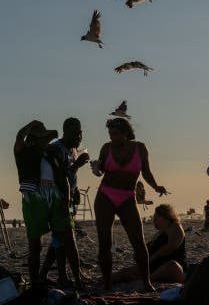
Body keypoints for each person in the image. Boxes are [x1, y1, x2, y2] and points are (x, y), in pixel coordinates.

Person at [92, 117, 168, 292]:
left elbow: (146, 172)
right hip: (106, 195)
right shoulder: (106, 148)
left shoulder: (140, 148)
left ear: (126, 133)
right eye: (110, 133)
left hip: (127, 197)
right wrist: (96, 167)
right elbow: (100, 170)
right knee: (105, 243)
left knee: (139, 243)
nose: (112, 137)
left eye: (116, 133)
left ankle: (146, 281)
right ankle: (108, 284)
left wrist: (156, 186)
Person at [13, 120, 85, 289]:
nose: (46, 141)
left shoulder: (50, 154)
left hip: (56, 196)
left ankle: (77, 278)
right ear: (33, 140)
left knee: (68, 235)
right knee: (35, 244)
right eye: (42, 138)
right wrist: (30, 125)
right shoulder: (23, 152)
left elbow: (63, 177)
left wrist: (67, 198)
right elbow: (19, 137)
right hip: (34, 198)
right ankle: (35, 282)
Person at [40, 117, 90, 285]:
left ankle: (57, 275)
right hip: (57, 200)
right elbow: (59, 175)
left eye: (80, 132)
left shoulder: (72, 150)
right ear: (65, 132)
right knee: (69, 238)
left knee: (59, 239)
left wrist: (75, 191)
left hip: (67, 200)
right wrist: (77, 164)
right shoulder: (56, 148)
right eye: (75, 133)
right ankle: (77, 277)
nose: (79, 136)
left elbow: (70, 177)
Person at [113, 204, 188, 284]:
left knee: (172, 266)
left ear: (165, 217)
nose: (154, 221)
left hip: (170, 267)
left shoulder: (175, 226)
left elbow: (171, 247)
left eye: (156, 218)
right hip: (153, 266)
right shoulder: (159, 234)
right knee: (123, 272)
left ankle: (146, 279)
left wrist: (151, 258)